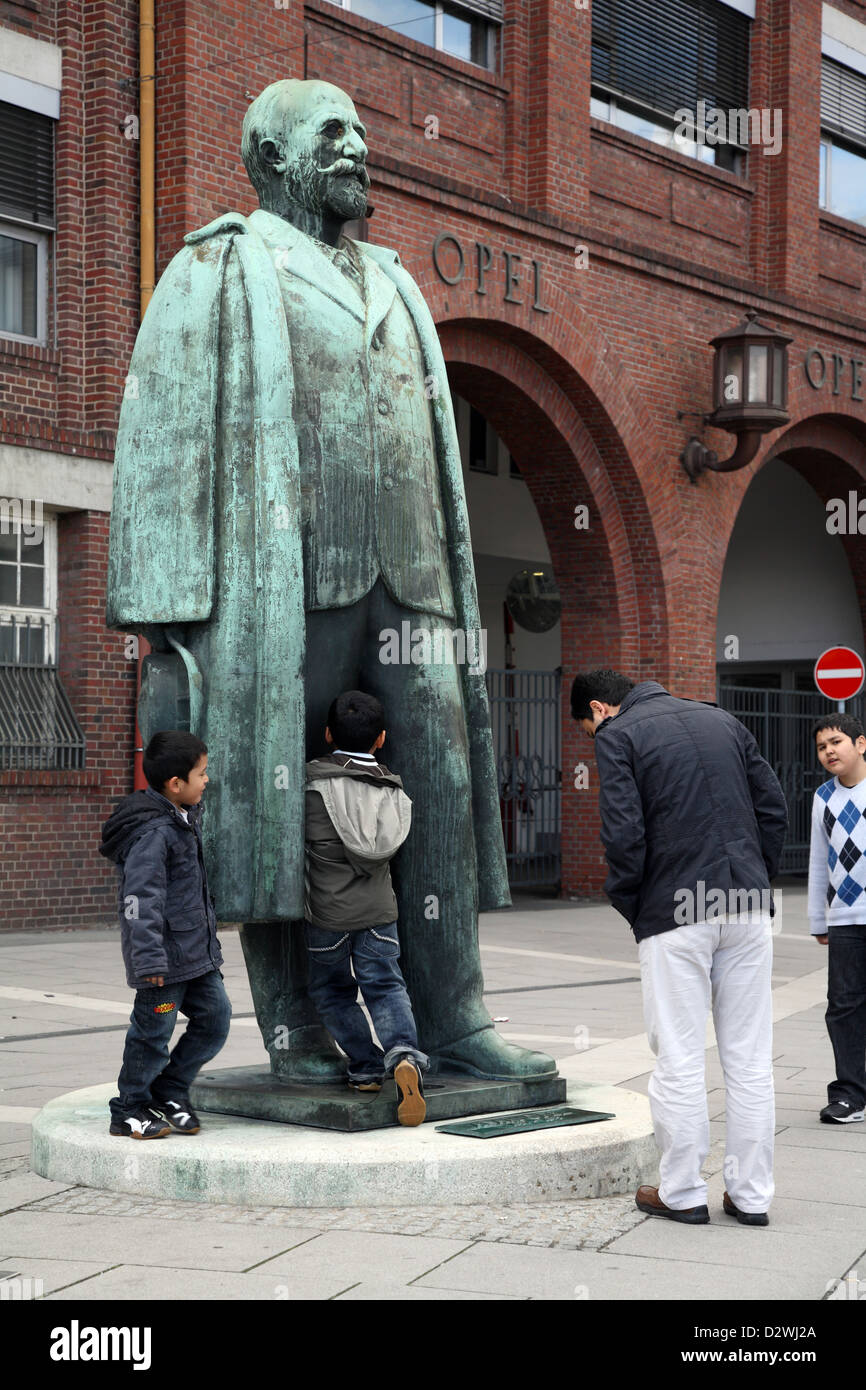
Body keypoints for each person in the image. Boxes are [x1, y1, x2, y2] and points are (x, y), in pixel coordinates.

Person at [571, 669, 788, 1226]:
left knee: (680, 1055)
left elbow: (624, 834)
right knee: (748, 1056)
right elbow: (772, 809)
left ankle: (683, 1191)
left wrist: (632, 901)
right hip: (745, 903)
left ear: (600, 708)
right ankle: (751, 1195)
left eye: (587, 727)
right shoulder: (723, 718)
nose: (592, 735)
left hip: (675, 908)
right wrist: (756, 880)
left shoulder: (618, 735)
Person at [303, 690, 428, 1125]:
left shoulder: (312, 787)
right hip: (379, 912)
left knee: (333, 992)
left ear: (327, 734)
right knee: (386, 985)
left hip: (326, 915)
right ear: (381, 740)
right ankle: (404, 1056)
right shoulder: (395, 791)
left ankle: (364, 1067)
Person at [99, 731, 231, 1139]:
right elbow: (140, 899)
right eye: (202, 774)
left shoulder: (182, 817)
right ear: (176, 784)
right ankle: (129, 1108)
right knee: (153, 1034)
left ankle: (170, 1089)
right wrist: (149, 959)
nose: (207, 780)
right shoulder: (154, 833)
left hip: (194, 955)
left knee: (215, 1019)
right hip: (162, 962)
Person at [808, 712, 866, 1125]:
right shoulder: (823, 798)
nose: (829, 751)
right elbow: (816, 861)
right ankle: (850, 1095)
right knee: (843, 1006)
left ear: (860, 744)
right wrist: (818, 919)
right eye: (821, 746)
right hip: (845, 917)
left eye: (837, 742)